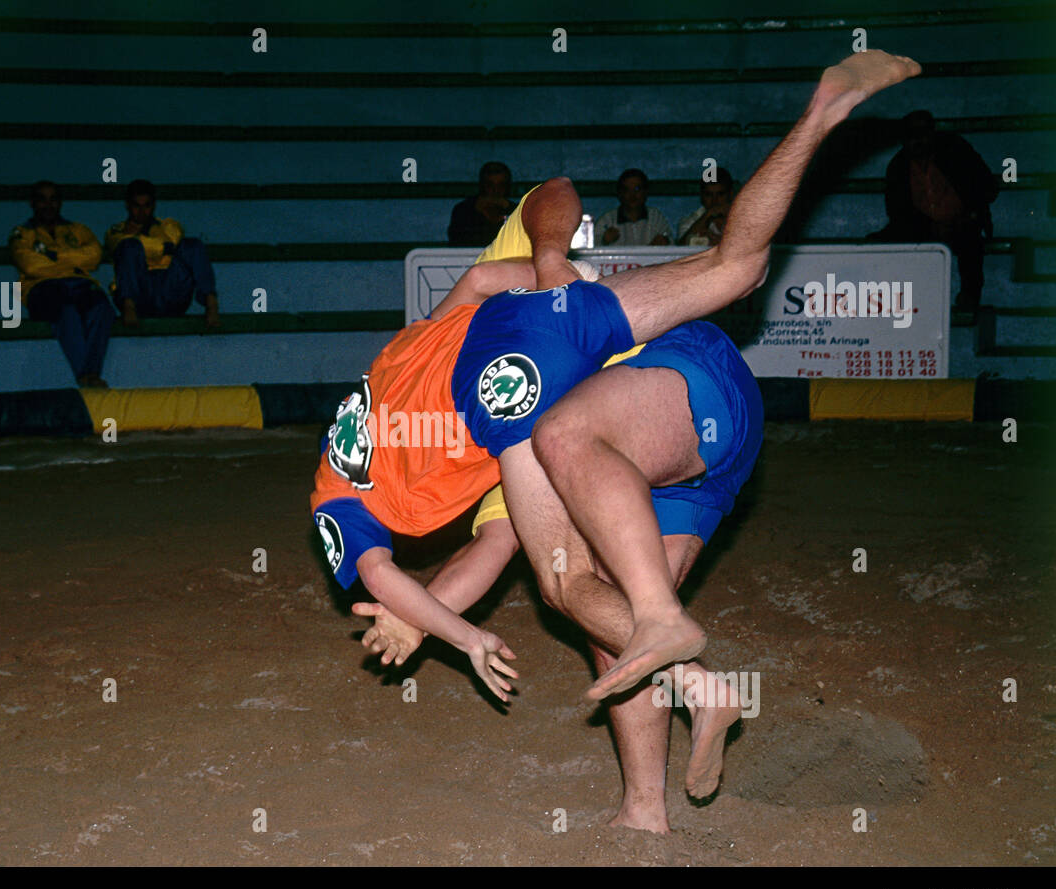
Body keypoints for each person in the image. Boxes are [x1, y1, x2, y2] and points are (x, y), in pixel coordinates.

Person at [311, 49, 920, 720]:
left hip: (508, 407)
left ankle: (691, 675)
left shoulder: (335, 502)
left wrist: (457, 634)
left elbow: (390, 571)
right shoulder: (395, 356)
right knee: (734, 266)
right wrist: (555, 283)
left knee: (566, 580)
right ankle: (820, 113)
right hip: (526, 330)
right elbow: (488, 282)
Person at [356, 314, 762, 829]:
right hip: (700, 440)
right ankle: (644, 813)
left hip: (677, 380)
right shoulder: (491, 440)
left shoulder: (500, 402)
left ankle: (700, 686)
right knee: (612, 616)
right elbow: (491, 544)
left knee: (566, 579)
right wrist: (416, 618)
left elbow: (529, 263)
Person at [869, 110, 999, 311]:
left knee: (970, 242)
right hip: (923, 226)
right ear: (904, 139)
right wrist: (929, 225)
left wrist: (968, 214)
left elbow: (987, 186)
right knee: (877, 242)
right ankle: (900, 302)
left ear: (933, 133)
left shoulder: (956, 150)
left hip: (962, 221)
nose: (918, 140)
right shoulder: (898, 166)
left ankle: (969, 296)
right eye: (912, 135)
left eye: (923, 133)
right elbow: (896, 211)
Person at [10, 181, 114, 389]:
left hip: (80, 285)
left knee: (102, 308)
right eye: (42, 199)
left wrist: (53, 257)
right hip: (42, 288)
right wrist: (73, 261)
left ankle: (91, 372)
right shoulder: (22, 233)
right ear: (33, 203)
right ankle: (86, 375)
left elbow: (94, 257)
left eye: (53, 199)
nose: (48, 205)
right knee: (66, 309)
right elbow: (30, 265)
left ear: (60, 202)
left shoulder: (78, 230)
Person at [104, 179, 219, 329]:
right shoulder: (116, 231)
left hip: (171, 292)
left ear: (154, 205)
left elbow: (174, 239)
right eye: (136, 206)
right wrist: (161, 248)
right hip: (141, 296)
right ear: (128, 205)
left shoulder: (168, 225)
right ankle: (129, 307)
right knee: (129, 247)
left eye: (147, 206)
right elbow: (119, 245)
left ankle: (211, 303)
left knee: (192, 245)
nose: (141, 211)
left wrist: (143, 236)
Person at [595, 168, 672, 246]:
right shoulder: (607, 220)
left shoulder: (656, 218)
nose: (632, 195)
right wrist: (604, 241)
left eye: (637, 189)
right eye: (626, 190)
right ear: (620, 193)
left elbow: (671, 245)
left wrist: (664, 243)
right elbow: (589, 250)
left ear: (646, 192)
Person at [447, 161, 516, 246]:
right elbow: (457, 243)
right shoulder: (463, 211)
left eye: (501, 185)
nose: (495, 190)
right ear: (482, 186)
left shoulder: (516, 211)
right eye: (490, 185)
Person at [676, 166, 735, 247]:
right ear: (702, 196)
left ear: (730, 194)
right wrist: (707, 216)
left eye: (720, 194)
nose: (715, 200)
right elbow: (679, 250)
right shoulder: (690, 222)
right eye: (709, 195)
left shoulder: (745, 219)